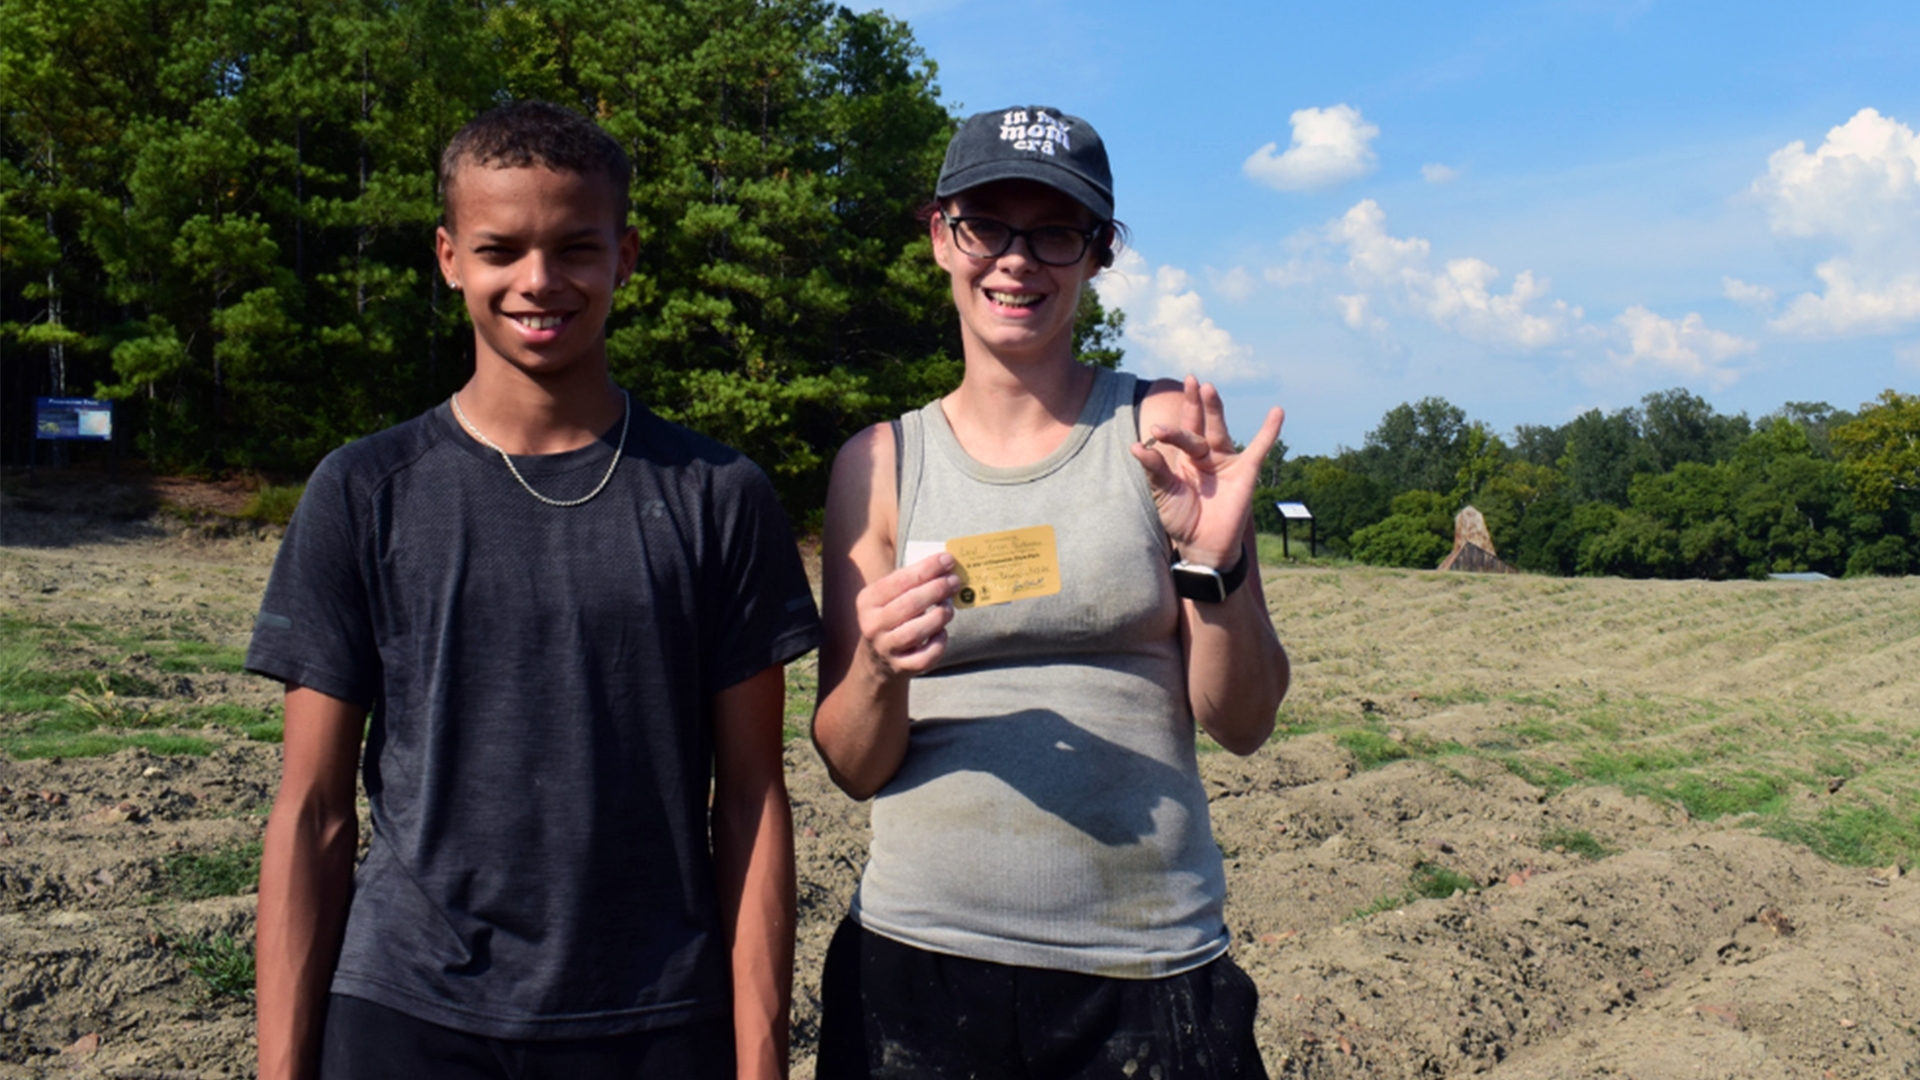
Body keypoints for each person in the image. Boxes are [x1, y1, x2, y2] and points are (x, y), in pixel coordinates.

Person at [247, 100, 821, 1080]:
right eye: (500, 248)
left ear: (626, 256)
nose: (539, 282)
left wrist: (759, 1059)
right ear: (448, 257)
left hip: (654, 1017)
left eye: (576, 248)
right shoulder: (364, 491)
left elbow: (754, 801)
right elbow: (312, 813)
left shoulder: (719, 497)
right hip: (405, 1014)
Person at [810, 105, 1291, 1079]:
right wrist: (876, 664)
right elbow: (853, 766)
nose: (1017, 261)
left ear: (1099, 253)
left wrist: (1217, 563)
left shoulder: (1159, 429)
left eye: (1057, 230)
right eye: (987, 225)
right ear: (941, 235)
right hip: (917, 971)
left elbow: (1241, 722)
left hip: (1147, 976)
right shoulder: (877, 465)